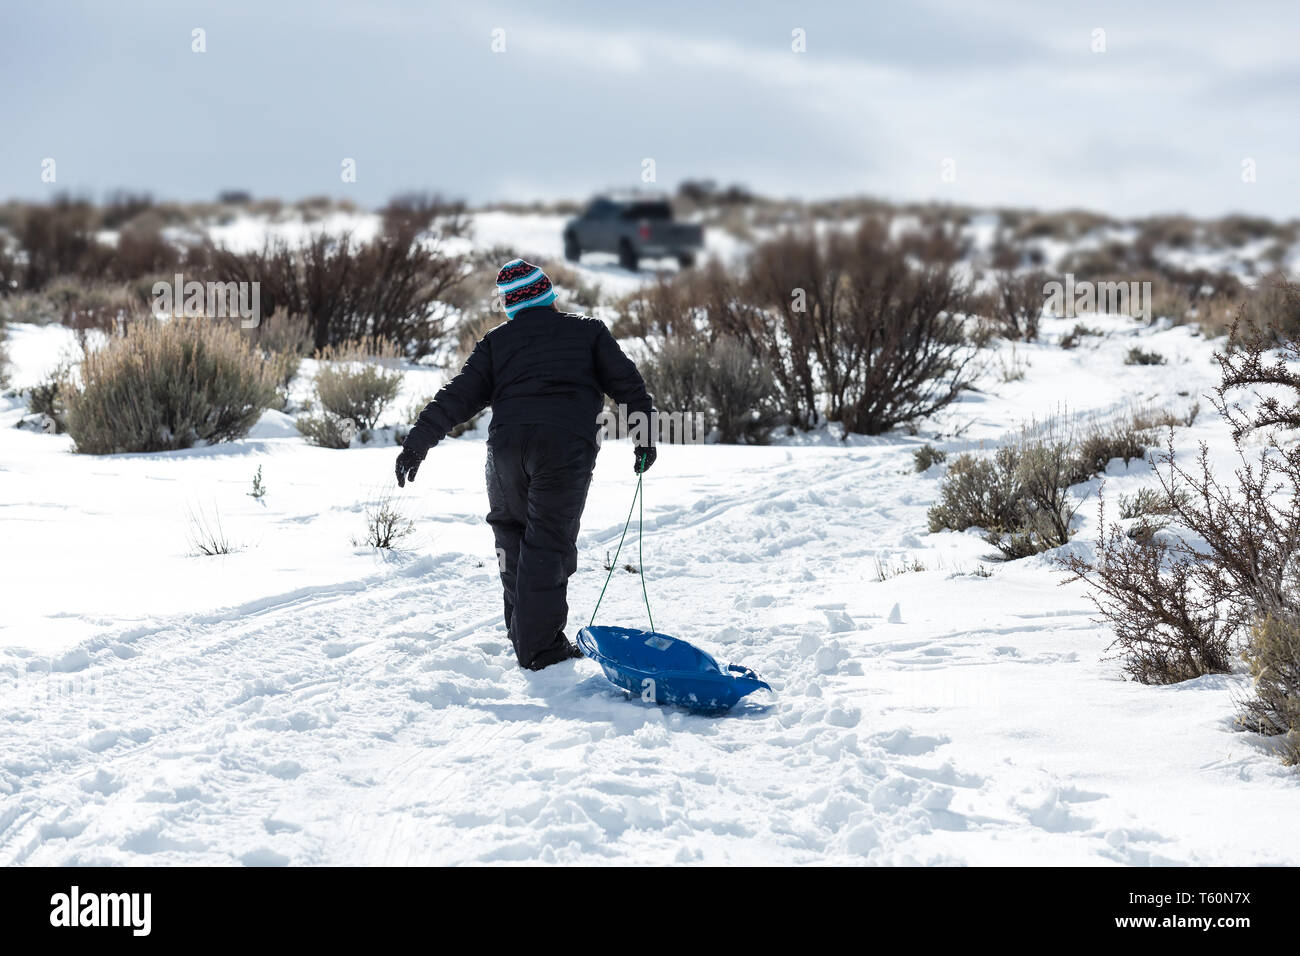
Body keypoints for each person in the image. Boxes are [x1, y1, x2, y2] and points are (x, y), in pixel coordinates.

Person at [395, 259, 657, 670]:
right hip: (563, 448)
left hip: (505, 452)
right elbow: (629, 386)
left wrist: (417, 442)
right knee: (547, 543)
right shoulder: (588, 332)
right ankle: (540, 649)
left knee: (512, 534)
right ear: (549, 295)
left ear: (510, 307)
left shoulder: (496, 342)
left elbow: (456, 396)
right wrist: (644, 438)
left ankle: (524, 632)